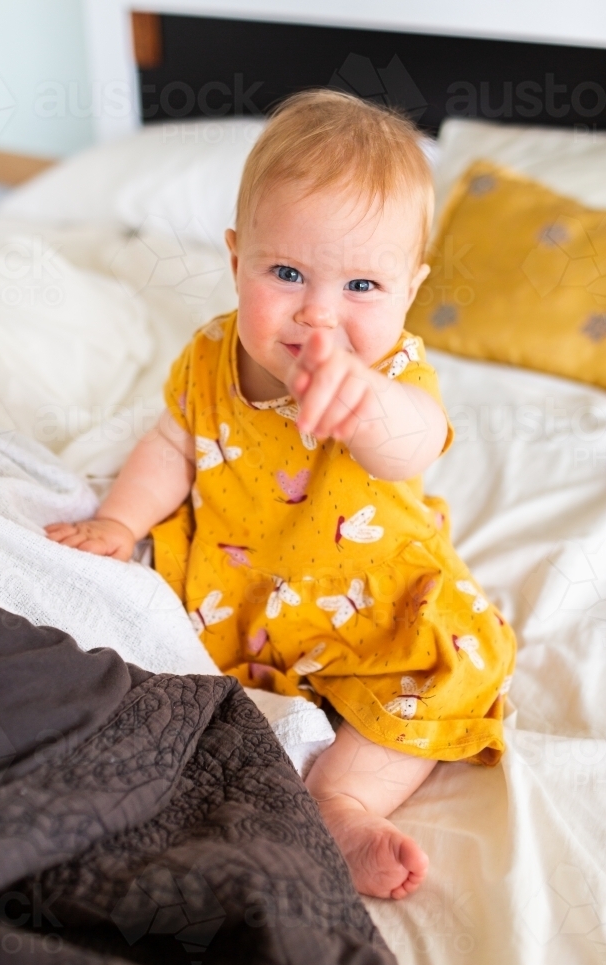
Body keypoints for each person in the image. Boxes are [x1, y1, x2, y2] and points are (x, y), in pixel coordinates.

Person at [46, 90, 516, 900]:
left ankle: (341, 801)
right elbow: (174, 444)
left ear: (409, 289)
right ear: (237, 261)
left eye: (361, 285)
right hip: (238, 594)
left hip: (369, 595)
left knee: (450, 668)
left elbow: (412, 444)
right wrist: (120, 520)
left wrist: (366, 404)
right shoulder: (210, 354)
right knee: (128, 658)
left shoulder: (394, 375)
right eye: (287, 273)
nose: (318, 315)